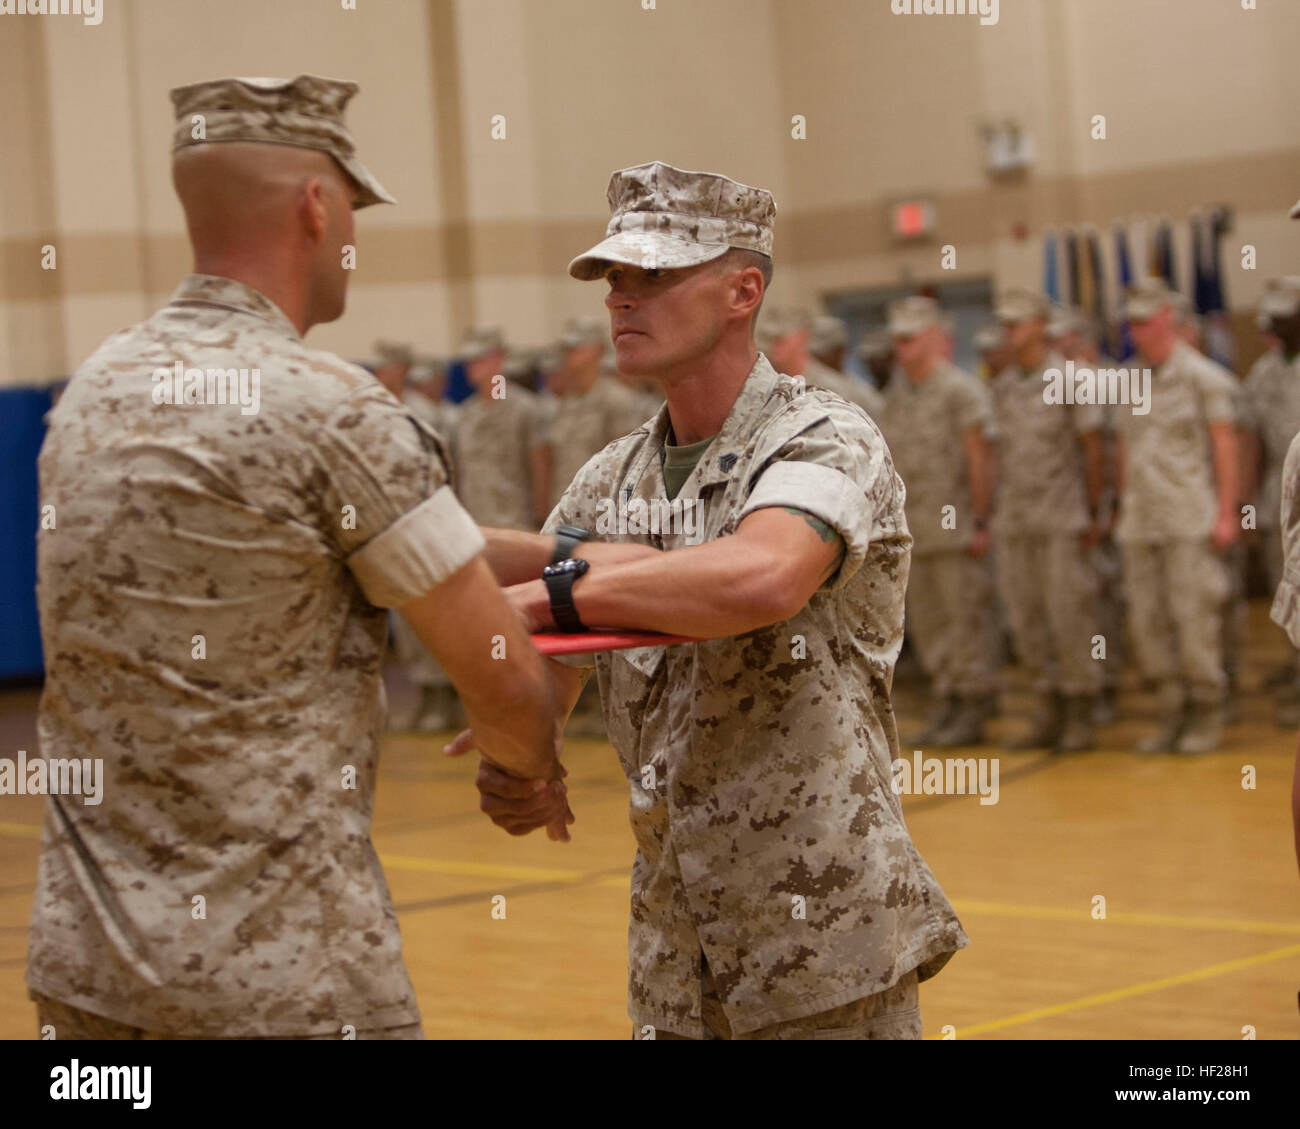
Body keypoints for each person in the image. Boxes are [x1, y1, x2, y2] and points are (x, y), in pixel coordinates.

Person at [25, 74, 560, 1041]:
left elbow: (302, 540)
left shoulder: (90, 397)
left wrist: (571, 551)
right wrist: (528, 765)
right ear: (318, 204)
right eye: (354, 206)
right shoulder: (332, 407)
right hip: (284, 984)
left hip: (88, 981)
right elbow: (501, 675)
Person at [454, 160, 968, 1040]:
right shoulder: (610, 479)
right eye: (615, 277)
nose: (621, 298)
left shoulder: (823, 436)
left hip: (822, 949)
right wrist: (519, 759)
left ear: (743, 290)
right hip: (673, 958)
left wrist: (555, 595)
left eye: (652, 274)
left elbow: (763, 576)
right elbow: (548, 676)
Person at [1115, 278, 1239, 753]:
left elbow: (1224, 445)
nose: (1137, 330)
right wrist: (1122, 504)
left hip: (1188, 517)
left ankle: (1206, 712)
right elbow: (1126, 448)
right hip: (1141, 520)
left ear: (1168, 318)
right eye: (1132, 322)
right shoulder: (1127, 380)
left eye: (1145, 321)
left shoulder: (1202, 378)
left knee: (1193, 622)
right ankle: (1171, 713)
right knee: (1149, 624)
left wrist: (1228, 512)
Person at [877, 295, 996, 746]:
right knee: (928, 623)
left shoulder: (960, 390)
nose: (901, 348)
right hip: (914, 531)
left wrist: (981, 519)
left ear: (933, 339)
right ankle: (946, 697)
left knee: (963, 620)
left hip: (955, 527)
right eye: (898, 340)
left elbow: (979, 459)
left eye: (909, 339)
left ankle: (973, 702)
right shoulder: (897, 394)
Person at [991, 290, 1105, 750]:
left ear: (1040, 325)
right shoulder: (1002, 385)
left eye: (1018, 323)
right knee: (1026, 616)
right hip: (1016, 519)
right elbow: (1000, 455)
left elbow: (1093, 448)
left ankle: (1081, 708)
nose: (1010, 332)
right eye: (1006, 324)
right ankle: (1047, 706)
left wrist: (1096, 512)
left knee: (1068, 614)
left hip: (1062, 515)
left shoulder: (1071, 379)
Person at [450, 326, 553, 531]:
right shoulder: (466, 414)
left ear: (499, 359)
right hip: (474, 524)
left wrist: (541, 518)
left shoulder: (524, 409)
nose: (472, 366)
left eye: (480, 359)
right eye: (469, 361)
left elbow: (540, 465)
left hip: (515, 522)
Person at [759, 307, 885, 418]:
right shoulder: (767, 389)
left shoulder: (834, 389)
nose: (772, 346)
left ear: (801, 338)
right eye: (768, 340)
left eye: (779, 340)